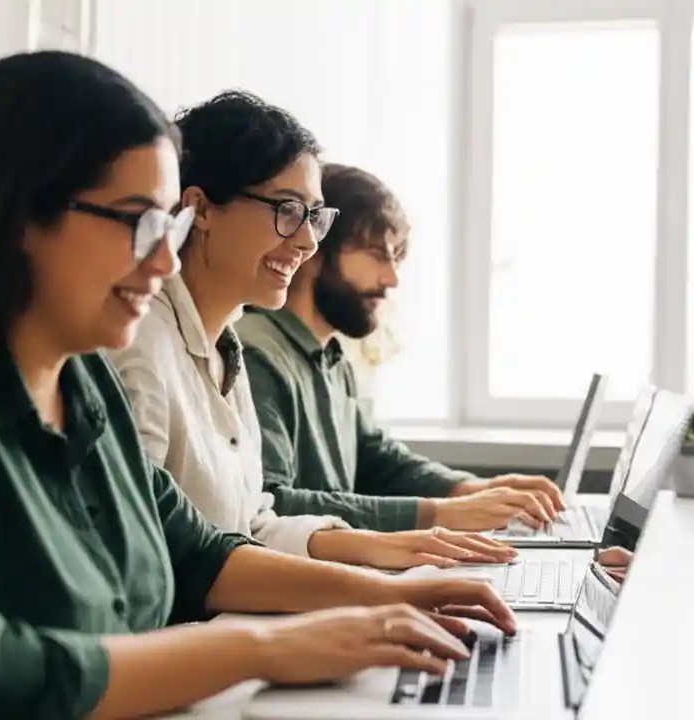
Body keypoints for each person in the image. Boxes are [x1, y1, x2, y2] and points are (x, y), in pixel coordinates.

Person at [0, 54, 516, 720]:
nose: (163, 261)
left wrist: (386, 599)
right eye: (138, 223)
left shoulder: (78, 376)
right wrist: (262, 652)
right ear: (9, 211)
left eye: (171, 227)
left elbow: (194, 550)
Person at [111, 92, 515, 570]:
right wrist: (384, 575)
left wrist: (394, 547)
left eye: (314, 217)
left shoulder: (226, 346)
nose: (305, 241)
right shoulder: (141, 348)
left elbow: (250, 524)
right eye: (286, 210)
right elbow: (150, 558)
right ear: (200, 209)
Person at [237, 163, 566, 533]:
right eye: (377, 254)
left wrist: (471, 490)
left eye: (396, 258)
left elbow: (373, 457)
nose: (391, 279)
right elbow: (271, 503)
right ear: (316, 249)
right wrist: (439, 515)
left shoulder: (331, 358)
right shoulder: (256, 356)